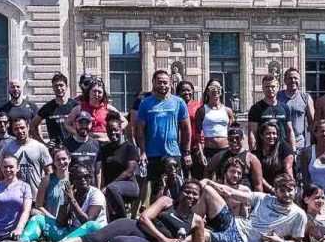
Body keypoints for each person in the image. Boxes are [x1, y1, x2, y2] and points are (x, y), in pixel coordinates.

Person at [31, 179, 204, 242]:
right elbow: (144, 218)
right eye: (187, 191)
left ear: (199, 198)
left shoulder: (197, 221)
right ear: (180, 192)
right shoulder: (167, 201)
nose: (190, 195)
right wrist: (165, 239)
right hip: (135, 226)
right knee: (95, 238)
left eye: (194, 193)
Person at [199, 172, 308, 242]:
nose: (287, 194)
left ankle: (186, 240)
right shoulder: (263, 198)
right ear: (276, 191)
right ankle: (191, 225)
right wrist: (209, 182)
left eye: (290, 190)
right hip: (233, 222)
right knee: (207, 189)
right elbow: (231, 193)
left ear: (295, 190)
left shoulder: (299, 214)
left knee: (201, 236)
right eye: (282, 191)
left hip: (241, 240)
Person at [22, 162, 108, 242]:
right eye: (78, 177)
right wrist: (66, 202)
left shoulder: (96, 194)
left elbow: (87, 222)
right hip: (73, 232)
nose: (83, 180)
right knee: (38, 218)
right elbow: (61, 223)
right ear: (72, 180)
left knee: (91, 224)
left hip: (94, 234)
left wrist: (72, 200)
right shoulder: (70, 193)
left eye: (86, 176)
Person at [135, 70, 190, 204]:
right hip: (153, 153)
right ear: (153, 83)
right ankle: (156, 218)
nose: (163, 85)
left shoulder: (178, 102)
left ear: (170, 83)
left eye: (165, 82)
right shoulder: (145, 103)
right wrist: (142, 152)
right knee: (156, 188)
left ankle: (177, 215)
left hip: (173, 152)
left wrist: (186, 152)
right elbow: (140, 130)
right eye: (159, 82)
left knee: (176, 187)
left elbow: (186, 128)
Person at [98, 111, 142, 220]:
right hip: (111, 190)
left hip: (129, 186)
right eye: (109, 131)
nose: (113, 133)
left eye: (115, 130)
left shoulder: (129, 148)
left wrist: (108, 187)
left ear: (121, 130)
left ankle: (124, 220)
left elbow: (129, 172)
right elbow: (100, 171)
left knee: (112, 189)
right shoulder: (104, 149)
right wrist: (99, 189)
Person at [191, 80, 234, 179]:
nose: (215, 91)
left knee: (225, 178)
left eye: (218, 89)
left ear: (221, 92)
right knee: (207, 178)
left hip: (225, 150)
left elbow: (231, 131)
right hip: (208, 150)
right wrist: (201, 153)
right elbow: (198, 133)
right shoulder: (202, 110)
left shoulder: (228, 110)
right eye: (212, 89)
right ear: (207, 91)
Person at [0, 117, 51, 191]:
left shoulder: (40, 147)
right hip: (14, 196)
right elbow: (0, 175)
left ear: (28, 127)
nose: (20, 131)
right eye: (16, 129)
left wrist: (46, 192)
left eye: (22, 127)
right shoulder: (6, 149)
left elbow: (49, 172)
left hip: (36, 195)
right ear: (13, 131)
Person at [247, 74, 293, 151]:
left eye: (273, 86)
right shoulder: (256, 108)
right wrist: (253, 152)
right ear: (263, 88)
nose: (270, 89)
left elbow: (290, 130)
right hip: (263, 151)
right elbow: (252, 133)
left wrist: (293, 150)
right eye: (267, 87)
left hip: (281, 150)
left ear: (278, 88)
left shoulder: (285, 107)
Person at [279, 68, 317, 153]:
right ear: (285, 81)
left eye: (295, 78)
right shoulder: (277, 97)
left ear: (300, 80)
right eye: (290, 78)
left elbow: (312, 123)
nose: (293, 80)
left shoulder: (305, 98)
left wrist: (314, 144)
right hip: (280, 143)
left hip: (300, 144)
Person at [252, 120, 294, 194]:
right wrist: (271, 189)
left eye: (274, 133)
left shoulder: (285, 148)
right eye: (268, 133)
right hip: (264, 188)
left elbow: (288, 169)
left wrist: (289, 188)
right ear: (261, 135)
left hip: (282, 188)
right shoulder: (256, 152)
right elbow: (257, 175)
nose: (271, 136)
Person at [36, 73, 77, 145]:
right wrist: (43, 144)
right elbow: (32, 126)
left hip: (73, 147)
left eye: (61, 85)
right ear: (53, 88)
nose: (59, 88)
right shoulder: (48, 107)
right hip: (55, 150)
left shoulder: (75, 105)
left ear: (67, 86)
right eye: (56, 86)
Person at [62, 109, 101, 183]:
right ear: (74, 124)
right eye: (80, 123)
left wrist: (98, 190)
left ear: (91, 124)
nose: (84, 126)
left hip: (91, 188)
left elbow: (98, 171)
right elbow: (63, 170)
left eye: (86, 123)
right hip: (73, 187)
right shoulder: (66, 144)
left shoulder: (96, 144)